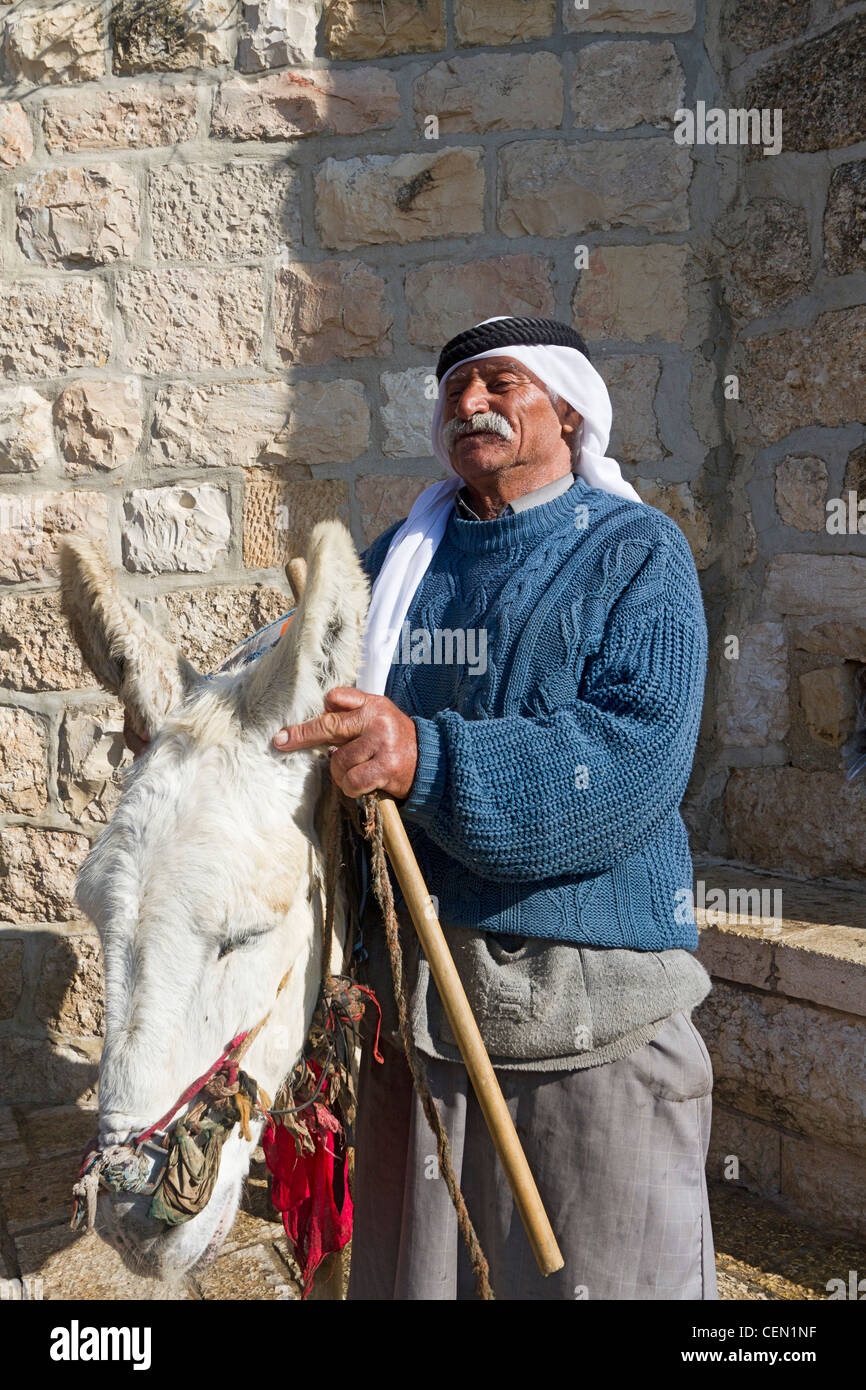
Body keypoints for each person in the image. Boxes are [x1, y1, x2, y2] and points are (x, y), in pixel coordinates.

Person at [127, 315, 716, 1301]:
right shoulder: (396, 560)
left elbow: (629, 761)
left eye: (498, 383)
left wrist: (424, 754)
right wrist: (195, 728)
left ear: (567, 407)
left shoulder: (635, 556)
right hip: (417, 1024)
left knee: (605, 1285)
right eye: (453, 391)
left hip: (584, 1030)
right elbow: (285, 676)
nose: (469, 403)